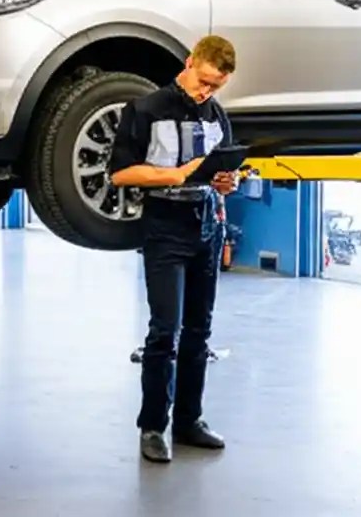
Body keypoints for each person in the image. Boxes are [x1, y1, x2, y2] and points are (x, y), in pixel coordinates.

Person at [107, 34, 241, 463]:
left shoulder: (217, 115)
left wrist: (228, 181)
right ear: (189, 62)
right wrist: (177, 174)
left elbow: (223, 169)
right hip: (165, 227)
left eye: (216, 87)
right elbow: (120, 174)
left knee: (199, 332)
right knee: (165, 330)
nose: (206, 92)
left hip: (208, 226)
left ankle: (188, 421)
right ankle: (152, 427)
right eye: (204, 81)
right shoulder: (145, 110)